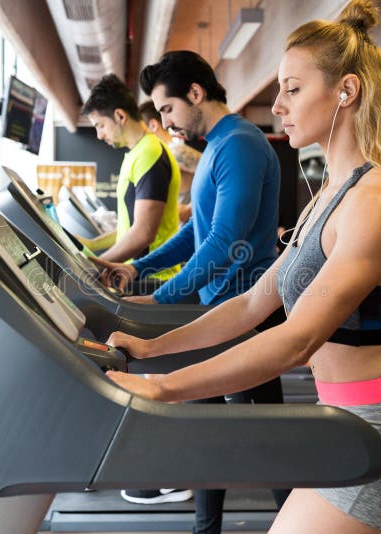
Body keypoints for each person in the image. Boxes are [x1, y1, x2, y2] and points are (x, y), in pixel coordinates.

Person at [102, 2, 381, 532]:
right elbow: (250, 302)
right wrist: (152, 349)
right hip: (346, 426)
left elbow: (296, 341)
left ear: (346, 92)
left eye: (292, 88)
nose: (278, 105)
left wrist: (164, 388)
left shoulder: (375, 201)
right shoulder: (328, 196)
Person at [91, 52, 289, 530]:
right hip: (221, 310)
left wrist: (160, 298)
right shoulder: (220, 145)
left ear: (196, 94)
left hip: (244, 313)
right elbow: (195, 234)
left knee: (274, 445)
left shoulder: (239, 144)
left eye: (167, 109)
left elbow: (224, 244)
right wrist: (136, 267)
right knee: (207, 434)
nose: (165, 121)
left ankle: (300, 518)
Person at [80, 74, 182, 282]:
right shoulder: (136, 153)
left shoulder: (149, 153)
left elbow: (144, 232)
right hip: (135, 276)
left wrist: (91, 270)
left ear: (119, 116)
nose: (99, 135)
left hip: (152, 279)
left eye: (100, 125)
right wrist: (91, 245)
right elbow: (131, 226)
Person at [139, 100, 201, 224]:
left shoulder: (176, 152)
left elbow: (218, 173)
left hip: (191, 231)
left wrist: (190, 208)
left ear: (153, 125)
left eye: (140, 129)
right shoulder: (160, 156)